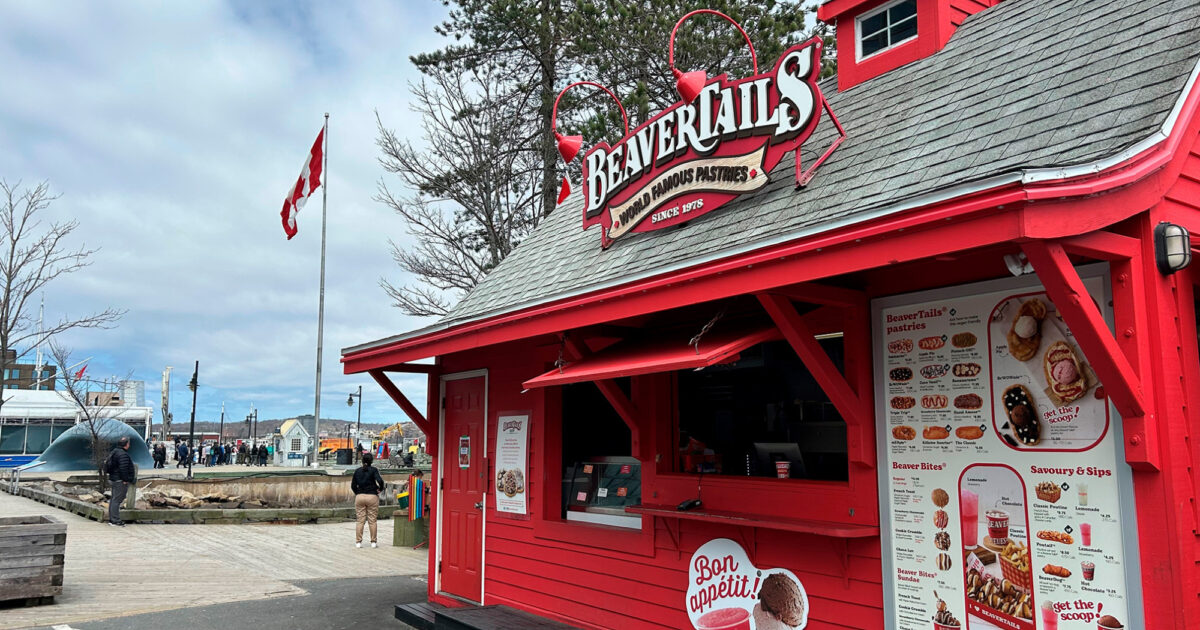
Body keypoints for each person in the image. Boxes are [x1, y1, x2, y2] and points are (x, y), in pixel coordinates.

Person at [351, 452, 386, 548]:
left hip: (360, 496)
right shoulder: (374, 470)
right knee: (372, 520)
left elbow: (353, 485)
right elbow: (380, 481)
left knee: (360, 520)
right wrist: (380, 488)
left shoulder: (357, 471)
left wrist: (358, 493)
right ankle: (373, 542)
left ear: (362, 461)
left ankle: (358, 542)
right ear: (371, 461)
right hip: (372, 496)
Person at [105, 436, 136, 527]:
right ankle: (115, 520)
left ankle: (112, 518)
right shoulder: (123, 454)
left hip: (114, 478)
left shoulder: (114, 452)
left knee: (114, 499)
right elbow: (123, 468)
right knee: (117, 500)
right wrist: (126, 479)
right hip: (120, 480)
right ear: (126, 444)